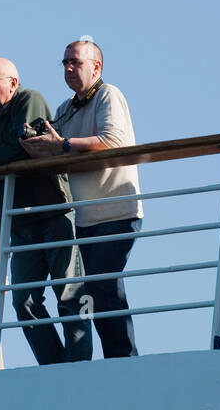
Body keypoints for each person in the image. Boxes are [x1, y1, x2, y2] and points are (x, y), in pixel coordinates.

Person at [0, 58, 91, 364]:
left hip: (53, 210)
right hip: (17, 219)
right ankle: (55, 366)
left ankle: (78, 365)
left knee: (69, 295)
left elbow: (23, 145)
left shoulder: (29, 99)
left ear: (12, 82)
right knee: (24, 302)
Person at [21, 40, 143, 358]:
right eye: (64, 63)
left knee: (103, 286)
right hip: (83, 217)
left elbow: (112, 141)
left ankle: (123, 360)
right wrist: (39, 144)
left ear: (96, 67)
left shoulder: (108, 94)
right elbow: (61, 150)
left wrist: (61, 144)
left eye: (75, 62)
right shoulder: (65, 109)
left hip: (115, 210)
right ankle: (101, 361)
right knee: (87, 292)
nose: (69, 68)